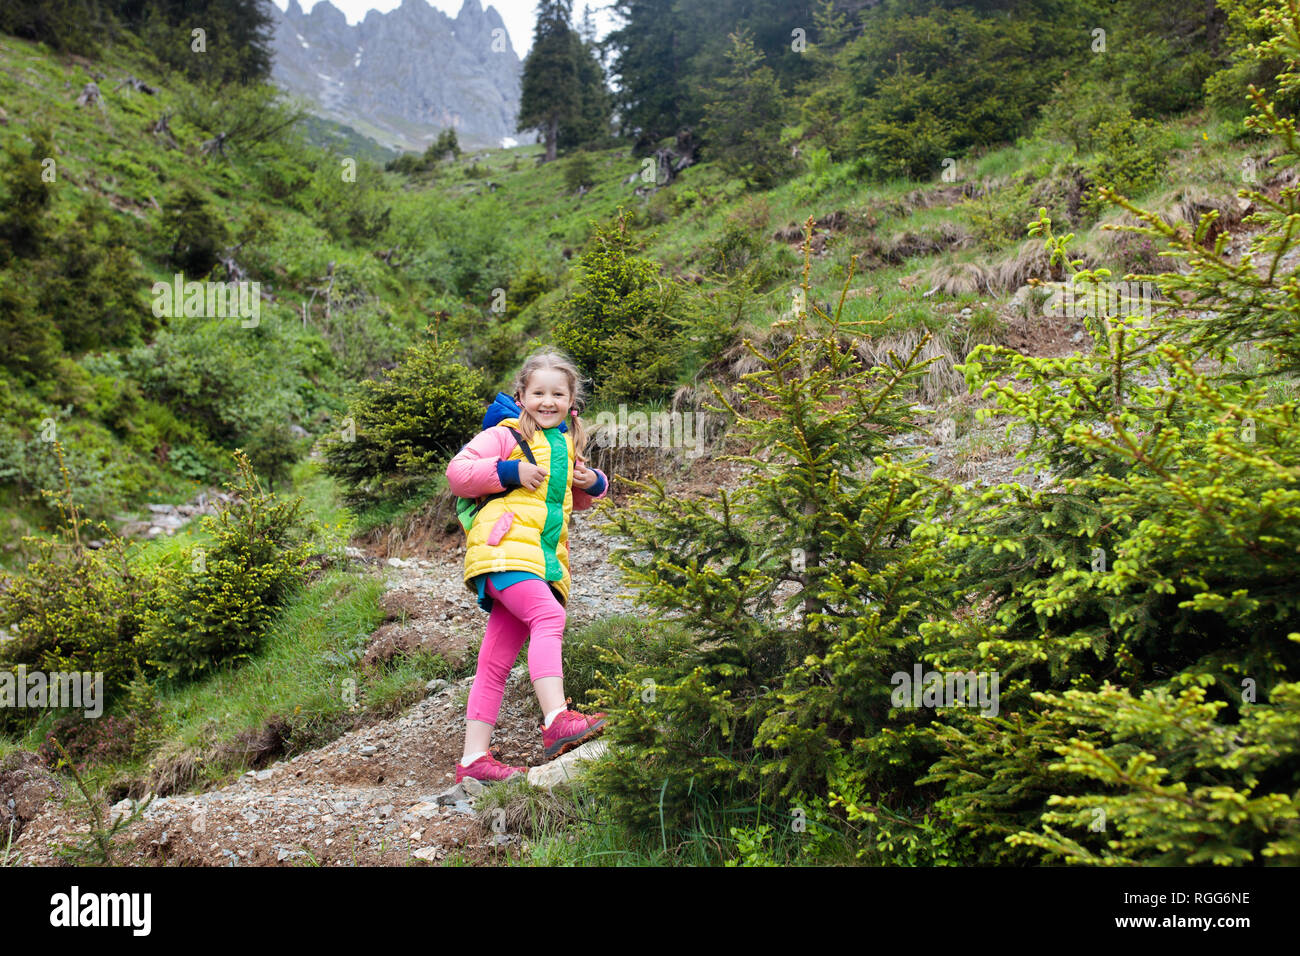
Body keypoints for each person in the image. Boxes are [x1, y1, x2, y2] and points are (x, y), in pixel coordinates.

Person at [444, 350, 611, 782]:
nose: (547, 401)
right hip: (502, 553)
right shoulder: (505, 435)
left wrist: (594, 482)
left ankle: (472, 761)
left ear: (572, 400)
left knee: (495, 662)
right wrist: (510, 471)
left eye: (558, 393)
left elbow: (567, 498)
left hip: (542, 560)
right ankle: (556, 719)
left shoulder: (563, 443)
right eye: (538, 393)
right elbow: (458, 472)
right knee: (548, 615)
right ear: (521, 396)